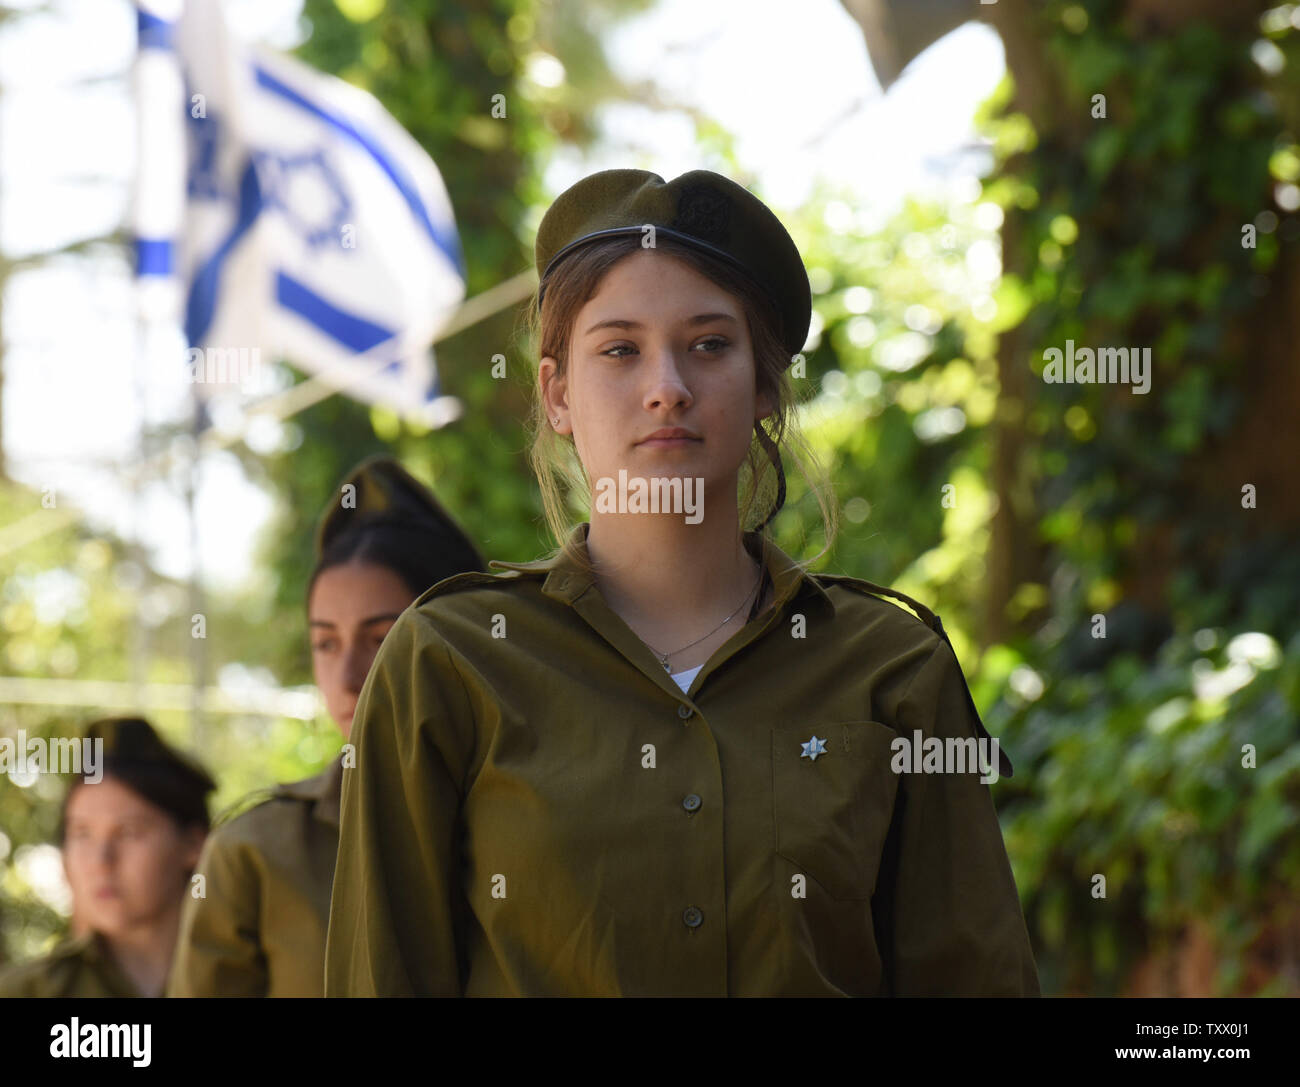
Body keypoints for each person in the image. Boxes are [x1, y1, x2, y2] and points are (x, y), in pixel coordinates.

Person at [325, 169, 1041, 997]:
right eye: (620, 349)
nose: (667, 386)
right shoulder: (447, 662)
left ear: (765, 386)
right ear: (557, 394)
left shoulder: (892, 666)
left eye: (708, 344)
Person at [166, 456, 485, 997]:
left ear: (458, 640)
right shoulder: (259, 853)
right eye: (325, 643)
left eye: (381, 638)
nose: (348, 677)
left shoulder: (534, 817)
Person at [0, 717, 214, 998]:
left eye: (129, 832)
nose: (101, 860)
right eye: (82, 834)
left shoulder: (245, 982)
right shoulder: (28, 992)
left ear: (193, 845)